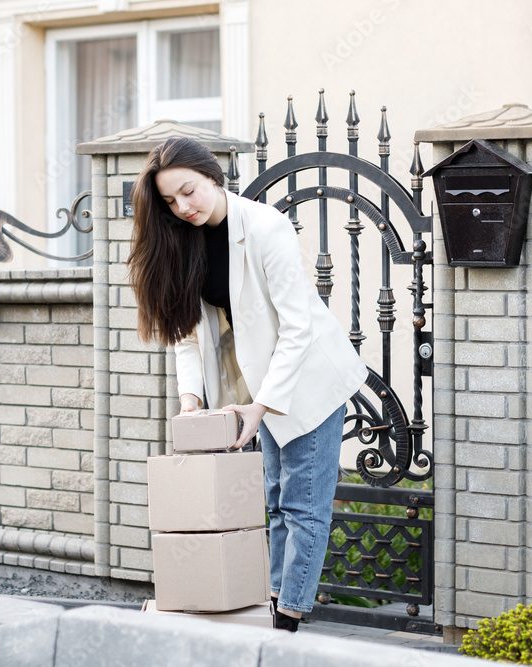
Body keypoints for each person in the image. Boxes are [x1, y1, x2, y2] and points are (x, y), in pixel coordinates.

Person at [128, 137, 368, 632]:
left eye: (189, 191)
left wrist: (261, 406)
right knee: (276, 499)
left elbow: (297, 327)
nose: (183, 207)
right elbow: (186, 336)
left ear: (212, 176)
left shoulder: (264, 227)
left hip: (308, 379)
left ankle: (287, 624)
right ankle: (274, 606)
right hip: (260, 384)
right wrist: (190, 401)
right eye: (170, 202)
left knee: (304, 505)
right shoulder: (183, 239)